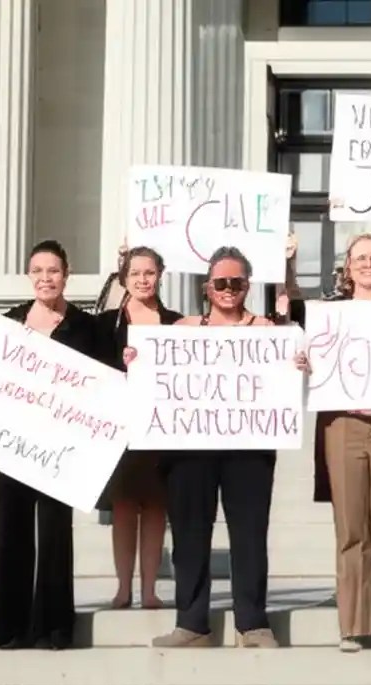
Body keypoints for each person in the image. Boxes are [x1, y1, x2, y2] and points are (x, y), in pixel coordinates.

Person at [135, 246, 282, 649]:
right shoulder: (183, 329)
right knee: (189, 534)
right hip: (191, 448)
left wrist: (297, 362)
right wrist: (138, 358)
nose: (229, 289)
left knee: (250, 533)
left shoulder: (267, 331)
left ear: (248, 286)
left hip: (249, 448)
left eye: (236, 282)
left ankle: (252, 623)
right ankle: (192, 623)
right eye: (221, 282)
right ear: (207, 287)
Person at [301, 233, 371, 652]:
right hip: (343, 425)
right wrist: (306, 358)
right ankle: (354, 625)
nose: (368, 264)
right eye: (360, 258)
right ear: (347, 268)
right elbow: (308, 350)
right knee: (350, 527)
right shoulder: (330, 314)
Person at [0, 240, 95, 650]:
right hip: (11, 443)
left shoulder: (86, 327)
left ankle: (52, 628)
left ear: (66, 275)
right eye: (38, 271)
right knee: (10, 532)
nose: (45, 278)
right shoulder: (8, 323)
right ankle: (9, 628)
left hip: (60, 449)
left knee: (53, 534)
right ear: (29, 276)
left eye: (53, 271)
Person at [95, 246, 182, 610]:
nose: (143, 279)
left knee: (157, 508)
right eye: (135, 274)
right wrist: (122, 364)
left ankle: (149, 590)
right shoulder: (106, 324)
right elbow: (93, 371)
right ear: (124, 278)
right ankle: (122, 587)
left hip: (163, 427)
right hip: (121, 428)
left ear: (160, 274)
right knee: (125, 507)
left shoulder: (177, 322)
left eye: (149, 272)